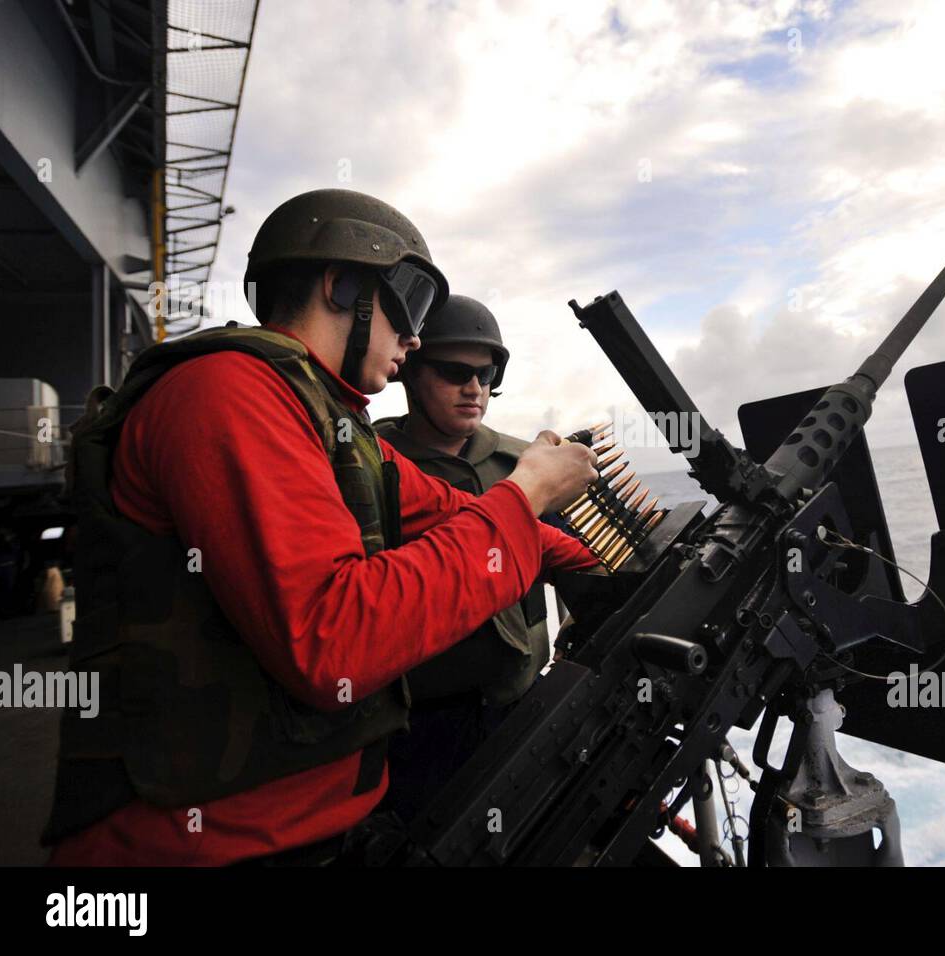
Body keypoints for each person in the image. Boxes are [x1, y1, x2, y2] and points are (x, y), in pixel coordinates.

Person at [42, 189, 598, 865]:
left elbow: (444, 508)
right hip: (196, 847)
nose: (415, 337)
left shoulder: (328, 419)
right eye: (411, 302)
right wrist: (529, 488)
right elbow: (333, 638)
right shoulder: (228, 393)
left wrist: (596, 568)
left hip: (307, 826)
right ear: (341, 286)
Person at [375, 295, 563, 820]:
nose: (474, 388)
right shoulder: (371, 465)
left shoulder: (527, 464)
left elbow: (586, 574)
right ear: (410, 373)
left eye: (485, 374)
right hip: (414, 727)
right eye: (455, 372)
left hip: (522, 706)